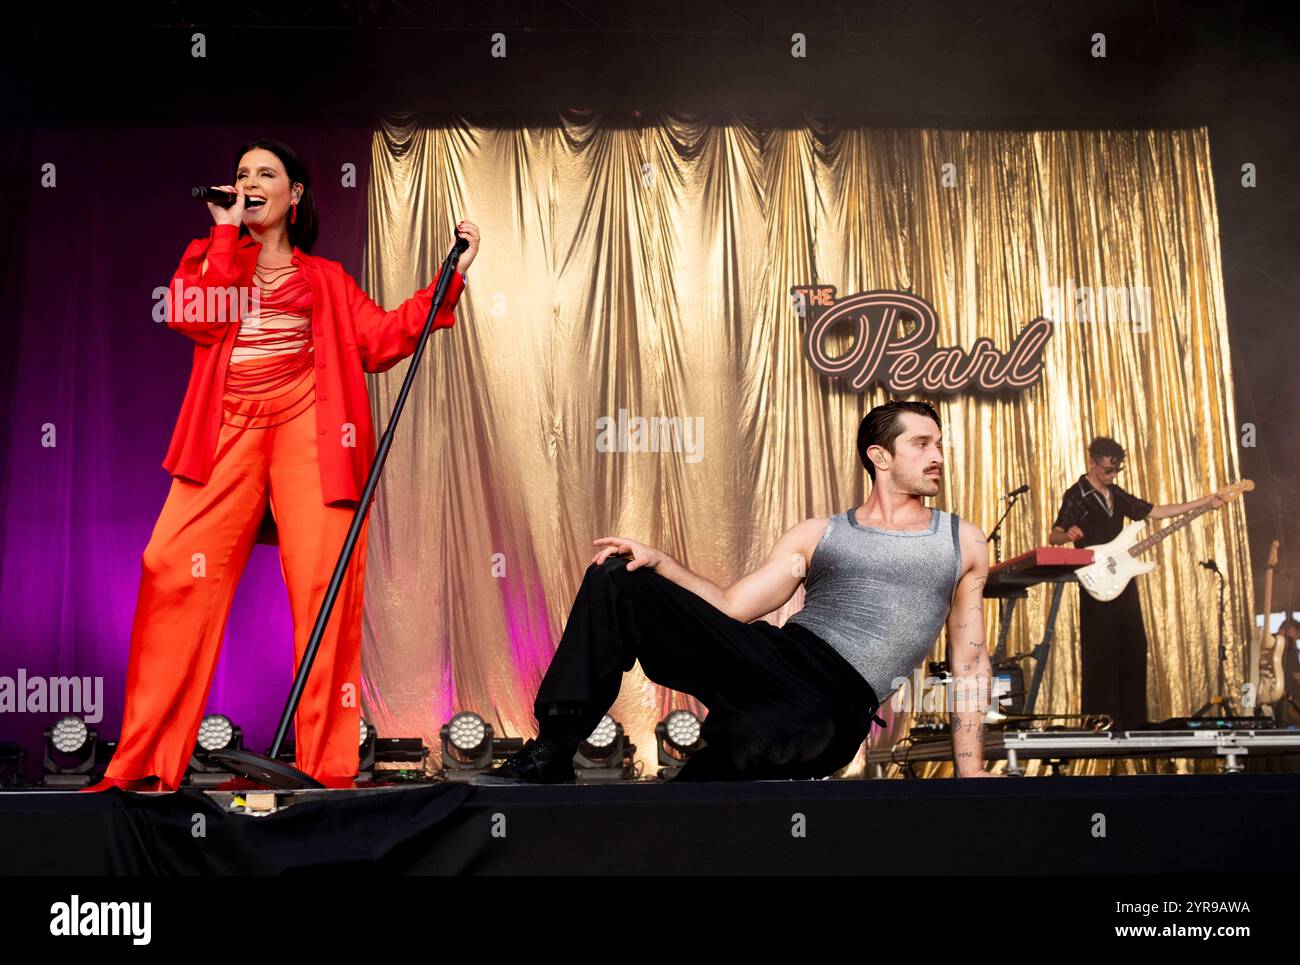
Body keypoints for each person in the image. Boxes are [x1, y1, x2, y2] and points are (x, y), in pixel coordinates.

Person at [85, 139, 480, 792]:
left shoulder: (326, 279)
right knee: (168, 567)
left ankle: (324, 770)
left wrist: (452, 273)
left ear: (295, 196)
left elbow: (382, 340)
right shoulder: (212, 257)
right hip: (227, 431)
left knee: (328, 595)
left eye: (265, 173)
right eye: (241, 174)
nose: (249, 181)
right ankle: (146, 767)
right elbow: (193, 315)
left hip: (312, 431)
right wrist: (221, 233)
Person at [476, 400, 999, 784]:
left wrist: (971, 770)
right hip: (776, 658)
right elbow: (732, 607)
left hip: (835, 703)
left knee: (748, 746)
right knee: (618, 575)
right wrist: (663, 563)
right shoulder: (819, 534)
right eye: (922, 444)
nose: (937, 456)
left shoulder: (962, 542)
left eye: (939, 445)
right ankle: (553, 750)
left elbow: (971, 663)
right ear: (880, 457)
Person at [1048, 436, 1222, 732]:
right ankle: (1103, 723)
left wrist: (1207, 500)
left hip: (1123, 577)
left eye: (1116, 471)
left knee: (1133, 645)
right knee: (1101, 650)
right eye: (1107, 471)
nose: (1112, 476)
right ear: (1092, 463)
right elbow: (1054, 535)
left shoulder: (1116, 493)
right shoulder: (1076, 494)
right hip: (1095, 578)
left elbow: (1157, 511)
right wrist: (1069, 535)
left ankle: (1132, 722)